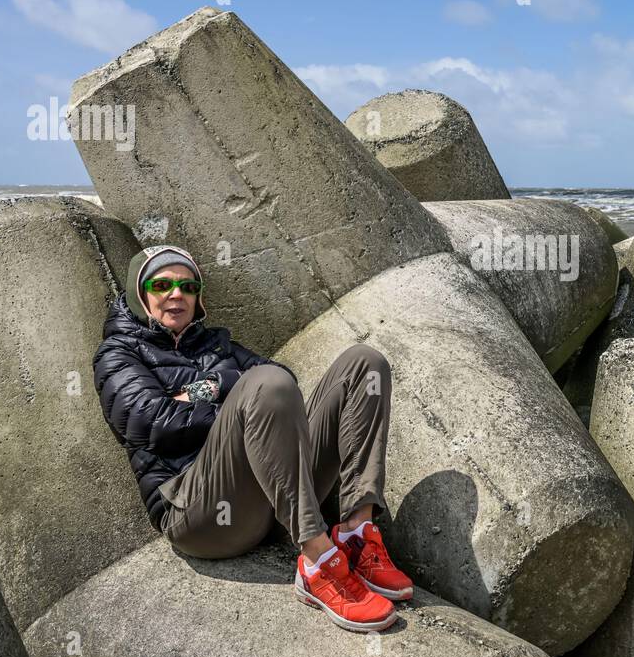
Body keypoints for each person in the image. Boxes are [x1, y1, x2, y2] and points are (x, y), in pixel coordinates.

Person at [93, 244, 411, 632]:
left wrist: (213, 387)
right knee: (262, 386)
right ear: (140, 295)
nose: (176, 294)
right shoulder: (118, 354)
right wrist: (235, 404)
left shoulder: (217, 344)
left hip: (272, 498)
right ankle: (319, 565)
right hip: (201, 513)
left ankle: (357, 534)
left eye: (188, 285)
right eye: (162, 284)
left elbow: (283, 379)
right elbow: (154, 423)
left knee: (365, 363)